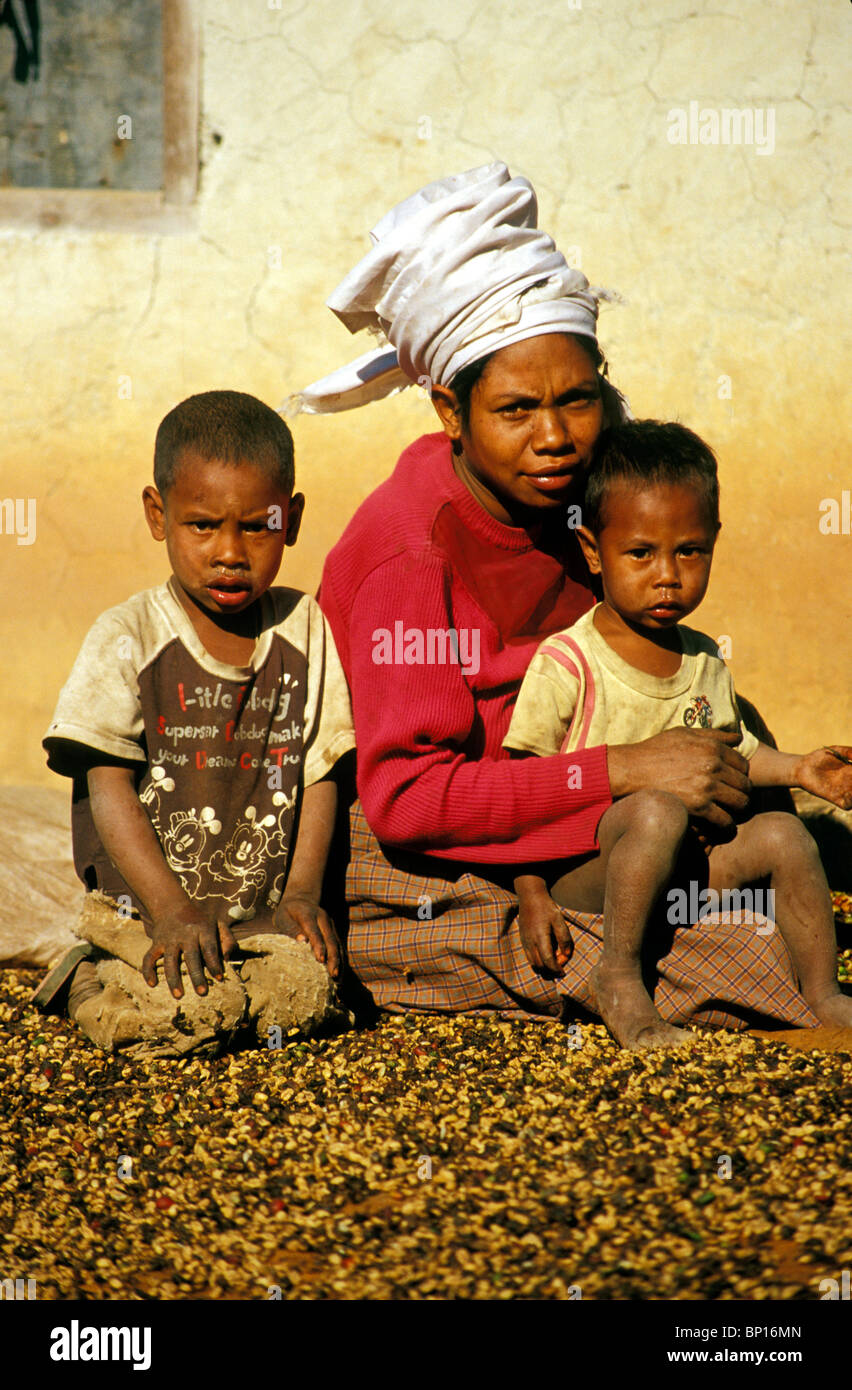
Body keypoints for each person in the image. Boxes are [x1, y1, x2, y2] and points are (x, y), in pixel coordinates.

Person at [295, 161, 825, 1034]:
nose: (555, 437)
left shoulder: (582, 492)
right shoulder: (409, 555)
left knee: (771, 821)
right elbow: (412, 800)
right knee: (727, 959)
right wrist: (627, 769)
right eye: (515, 410)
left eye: (578, 399)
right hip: (449, 843)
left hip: (588, 804)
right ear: (450, 413)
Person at [504, 420, 852, 1050]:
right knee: (657, 809)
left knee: (784, 832)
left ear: (713, 542)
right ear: (592, 550)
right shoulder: (568, 663)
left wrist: (803, 769)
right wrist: (531, 895)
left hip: (684, 872)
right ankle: (618, 977)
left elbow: (738, 753)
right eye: (641, 554)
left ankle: (823, 993)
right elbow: (519, 791)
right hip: (587, 871)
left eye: (689, 552)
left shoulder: (704, 662)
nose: (668, 575)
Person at [36, 391, 355, 1057]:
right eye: (203, 525)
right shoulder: (129, 635)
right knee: (177, 1014)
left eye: (257, 527)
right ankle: (89, 976)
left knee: (311, 995)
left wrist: (301, 893)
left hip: (258, 921)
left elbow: (320, 771)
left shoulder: (304, 629)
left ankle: (180, 986)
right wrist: (172, 910)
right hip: (149, 915)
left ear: (290, 519)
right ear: (159, 515)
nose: (230, 553)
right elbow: (108, 787)